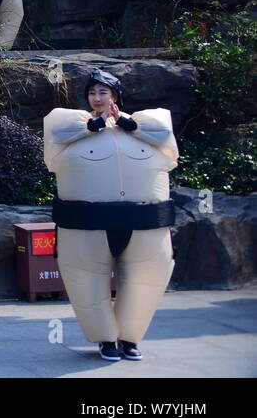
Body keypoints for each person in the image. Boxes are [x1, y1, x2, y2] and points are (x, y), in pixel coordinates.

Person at [43, 69, 178, 362]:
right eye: (92, 93)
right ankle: (105, 339)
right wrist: (94, 126)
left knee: (145, 283)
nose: (97, 98)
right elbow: (53, 150)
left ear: (115, 96)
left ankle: (129, 338)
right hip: (85, 226)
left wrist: (129, 125)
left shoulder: (147, 127)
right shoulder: (70, 127)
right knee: (87, 284)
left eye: (103, 92)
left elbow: (169, 149)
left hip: (145, 225)